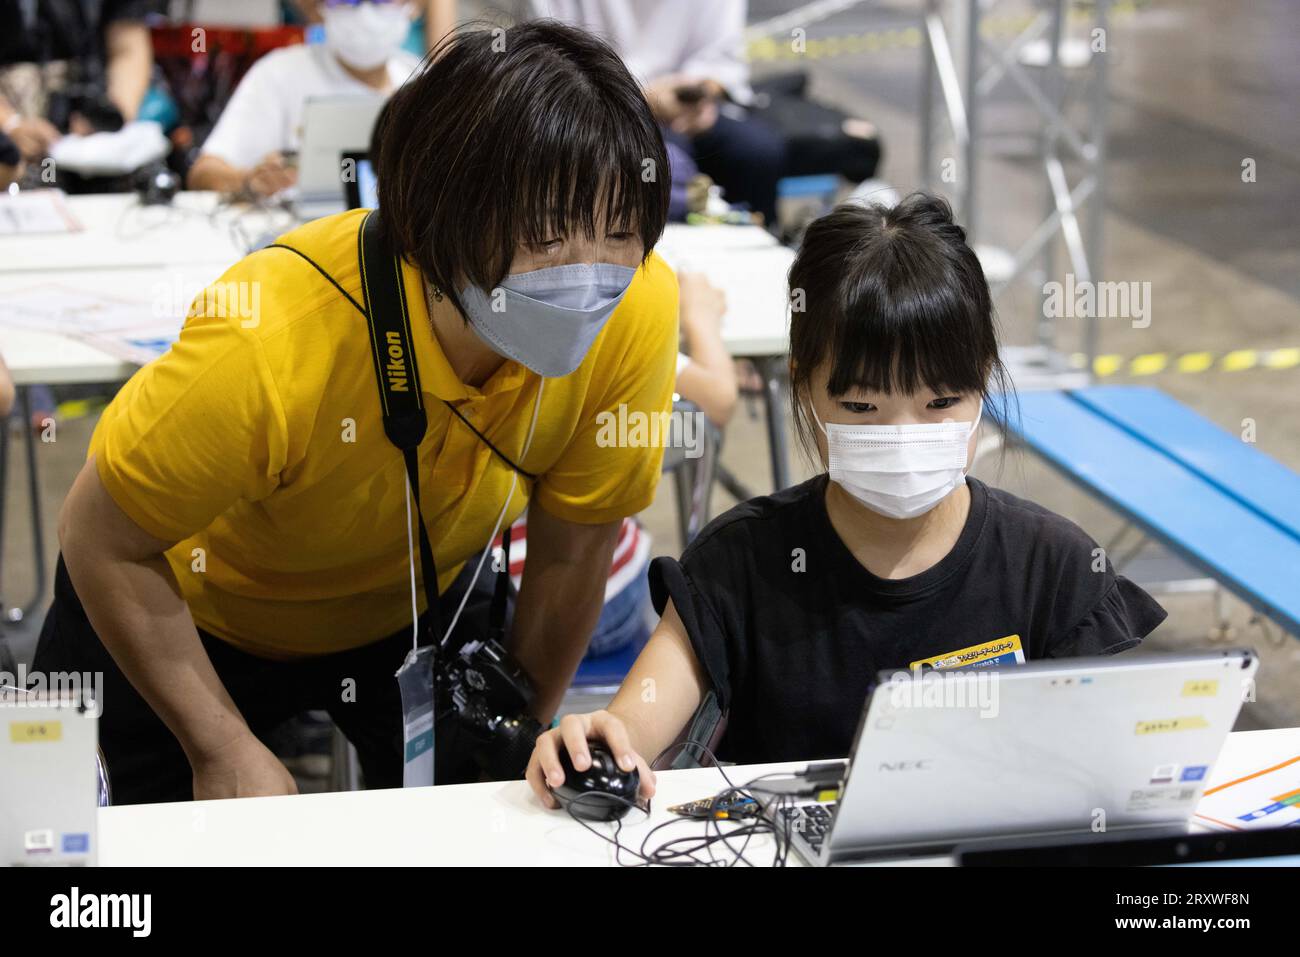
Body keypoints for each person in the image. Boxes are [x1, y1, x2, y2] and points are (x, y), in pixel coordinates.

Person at [34, 20, 678, 804]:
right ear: (440, 213)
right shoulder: (268, 336)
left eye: (618, 232)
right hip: (195, 614)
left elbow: (573, 553)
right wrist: (220, 744)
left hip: (416, 604)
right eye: (547, 235)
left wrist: (515, 735)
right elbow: (100, 537)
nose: (589, 276)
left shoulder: (635, 305)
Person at [526, 193, 1169, 806]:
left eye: (942, 403)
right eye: (862, 407)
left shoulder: (1052, 568)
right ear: (804, 389)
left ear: (984, 380)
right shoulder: (743, 563)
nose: (903, 437)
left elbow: (1117, 769)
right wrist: (603, 741)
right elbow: (635, 723)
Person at [187, 0, 420, 196]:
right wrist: (247, 181)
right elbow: (203, 173)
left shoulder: (421, 78)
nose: (366, 12)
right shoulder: (279, 73)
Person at [0, 0, 163, 162]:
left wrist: (110, 118)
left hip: (80, 139)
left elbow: (128, 48)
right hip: (11, 138)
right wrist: (10, 123)